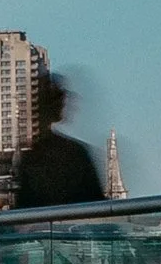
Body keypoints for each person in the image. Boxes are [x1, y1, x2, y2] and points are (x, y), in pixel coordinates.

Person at [8, 76, 105, 210]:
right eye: (59, 99)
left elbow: (22, 210)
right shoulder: (75, 152)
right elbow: (98, 205)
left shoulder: (31, 158)